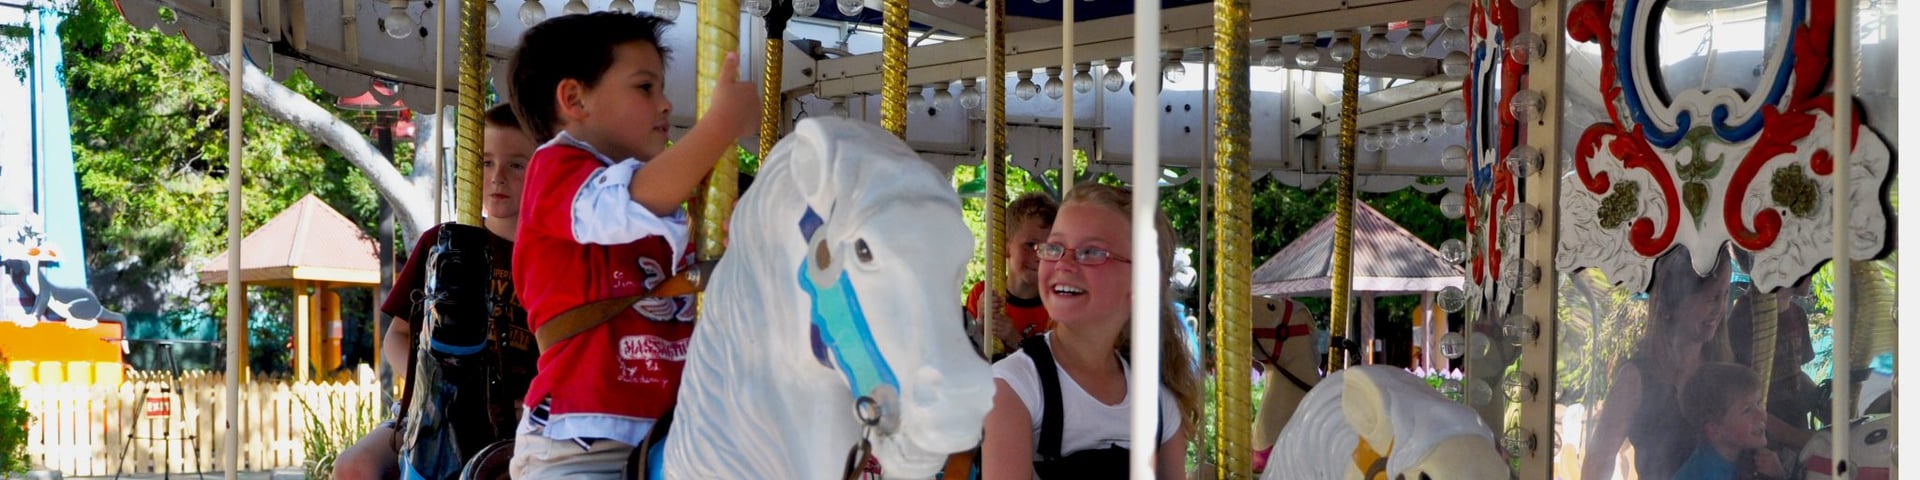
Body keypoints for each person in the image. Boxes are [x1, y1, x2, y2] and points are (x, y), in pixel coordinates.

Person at [504, 11, 758, 479]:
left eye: (661, 89)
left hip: (679, 428)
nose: (665, 105)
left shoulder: (675, 201)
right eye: (645, 88)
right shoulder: (555, 170)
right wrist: (719, 125)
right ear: (575, 98)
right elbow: (635, 199)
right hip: (582, 436)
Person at [331, 103, 538, 480]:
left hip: (520, 417)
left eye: (516, 165)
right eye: (486, 163)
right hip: (436, 407)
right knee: (354, 466)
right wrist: (428, 391)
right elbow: (397, 335)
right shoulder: (439, 246)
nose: (497, 178)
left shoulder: (550, 257)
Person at [981, 183, 1201, 479]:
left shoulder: (1159, 405)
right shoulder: (1015, 387)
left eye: (1092, 252)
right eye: (1055, 247)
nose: (1064, 263)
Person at [1581, 246, 1733, 480]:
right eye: (1711, 298)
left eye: (1724, 296)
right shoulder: (1637, 378)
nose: (1719, 309)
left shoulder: (1725, 369)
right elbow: (1598, 463)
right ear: (1674, 303)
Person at [965, 192, 1058, 357]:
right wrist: (980, 323)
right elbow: (964, 356)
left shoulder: (1055, 305)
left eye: (1049, 248)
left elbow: (1056, 367)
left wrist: (1015, 339)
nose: (1040, 256)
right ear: (1006, 248)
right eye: (1030, 245)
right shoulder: (981, 294)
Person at [1673, 362, 1785, 480]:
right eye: (1747, 410)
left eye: (1758, 402)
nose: (1761, 415)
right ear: (1714, 430)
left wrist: (1778, 474)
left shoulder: (1744, 453)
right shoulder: (1706, 474)